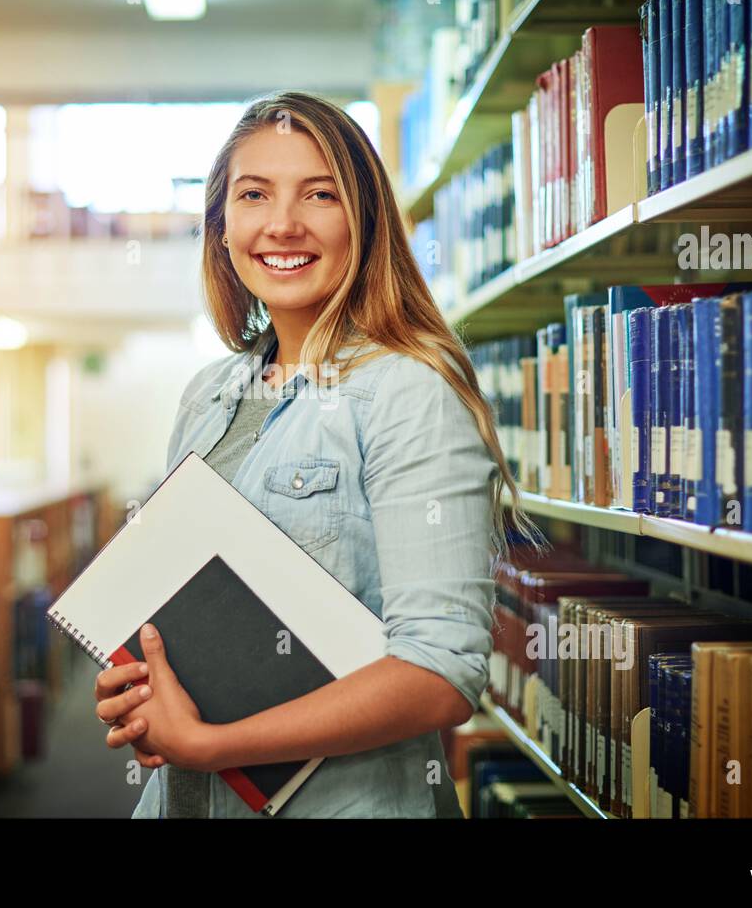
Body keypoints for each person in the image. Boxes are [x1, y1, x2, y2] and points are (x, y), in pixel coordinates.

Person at [92, 91, 540, 818]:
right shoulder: (209, 394)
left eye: (320, 194)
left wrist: (215, 743)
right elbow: (185, 616)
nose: (282, 224)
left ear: (362, 220)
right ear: (223, 226)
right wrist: (140, 689)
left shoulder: (408, 393)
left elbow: (440, 673)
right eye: (254, 194)